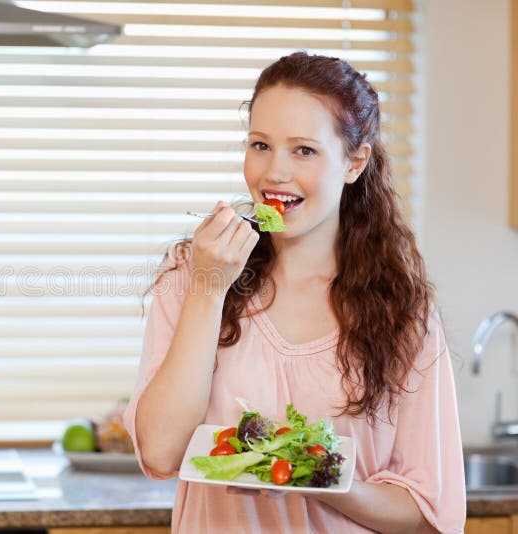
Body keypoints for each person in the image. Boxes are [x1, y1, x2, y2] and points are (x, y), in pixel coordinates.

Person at [123, 52, 465, 533]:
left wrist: (325, 477)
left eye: (303, 150)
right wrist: (210, 289)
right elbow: (161, 452)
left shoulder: (402, 310)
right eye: (260, 145)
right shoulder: (192, 273)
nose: (273, 174)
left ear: (354, 162)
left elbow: (430, 516)